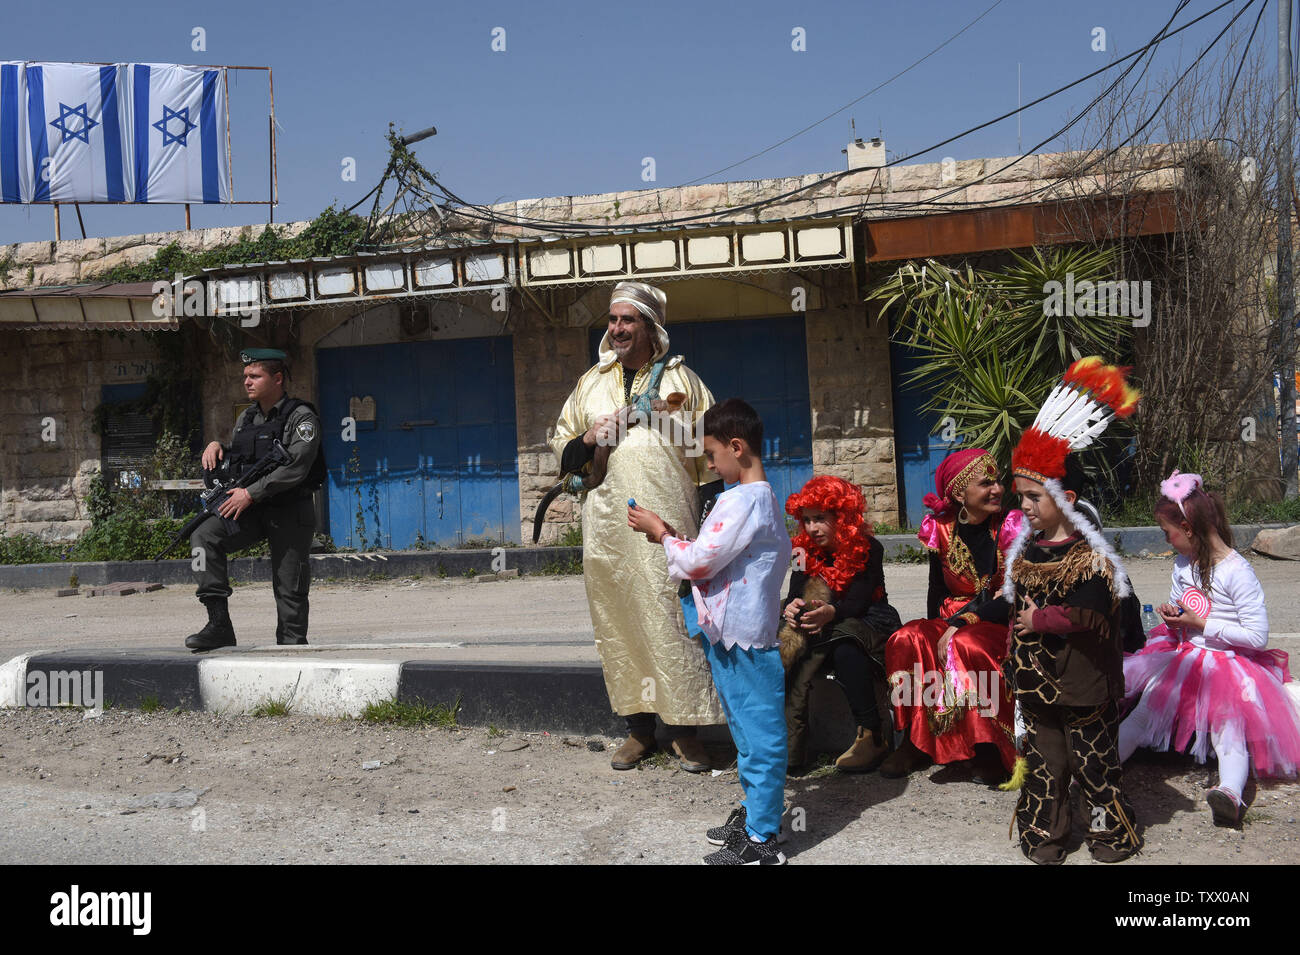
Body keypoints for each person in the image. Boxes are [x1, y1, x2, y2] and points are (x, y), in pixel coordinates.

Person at [550, 282, 724, 772]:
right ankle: (638, 731)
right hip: (606, 531)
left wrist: (710, 527)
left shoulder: (682, 382)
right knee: (619, 620)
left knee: (674, 622)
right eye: (612, 320)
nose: (617, 328)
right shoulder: (590, 383)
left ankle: (686, 732)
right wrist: (589, 434)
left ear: (650, 327)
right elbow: (564, 452)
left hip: (669, 524)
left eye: (628, 320)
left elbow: (709, 458)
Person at [628, 398, 790, 864]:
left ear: (736, 447)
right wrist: (675, 536)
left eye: (713, 454)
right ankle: (756, 815)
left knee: (760, 735)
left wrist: (661, 533)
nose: (710, 464)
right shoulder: (756, 498)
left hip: (744, 638)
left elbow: (699, 559)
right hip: (734, 634)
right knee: (747, 730)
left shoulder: (742, 498)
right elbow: (712, 553)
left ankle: (764, 841)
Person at [1003, 356, 1142, 864]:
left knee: (1093, 765)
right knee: (1045, 764)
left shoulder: (1093, 558)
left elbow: (1091, 617)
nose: (1025, 508)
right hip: (1037, 686)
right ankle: (1046, 835)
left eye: (1034, 498)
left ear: (1067, 496)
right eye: (1021, 498)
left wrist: (1040, 620)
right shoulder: (1026, 552)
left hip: (1084, 686)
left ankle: (1109, 834)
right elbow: (1008, 605)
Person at [1119, 471, 1300, 827]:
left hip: (1229, 666)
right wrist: (1172, 614)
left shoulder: (1236, 571)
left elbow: (1257, 636)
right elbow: (1182, 603)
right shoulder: (1184, 563)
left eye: (1167, 533)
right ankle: (1097, 770)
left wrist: (1201, 625)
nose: (1166, 540)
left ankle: (1230, 791)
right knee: (1142, 715)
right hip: (1184, 658)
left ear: (1188, 529)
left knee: (1227, 730)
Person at [880, 449, 1021, 783]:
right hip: (950, 621)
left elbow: (1013, 596)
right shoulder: (939, 529)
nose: (997, 489)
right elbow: (936, 591)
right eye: (986, 483)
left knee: (967, 643)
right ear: (960, 494)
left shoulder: (1012, 524)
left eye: (998, 481)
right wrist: (933, 637)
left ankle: (987, 747)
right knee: (907, 637)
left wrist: (960, 625)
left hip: (999, 622)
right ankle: (916, 741)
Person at [185, 348, 324, 651]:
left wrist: (251, 493)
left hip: (289, 511)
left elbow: (296, 467)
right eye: (245, 376)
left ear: (276, 378)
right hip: (251, 508)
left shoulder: (301, 417)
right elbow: (242, 456)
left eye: (254, 376)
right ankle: (219, 625)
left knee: (289, 586)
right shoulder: (247, 418)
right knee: (203, 536)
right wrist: (217, 446)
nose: (246, 381)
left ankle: (291, 648)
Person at [782, 476, 901, 774]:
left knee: (845, 649)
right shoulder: (800, 552)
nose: (812, 528)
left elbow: (858, 602)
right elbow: (795, 593)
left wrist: (830, 612)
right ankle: (790, 745)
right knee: (785, 645)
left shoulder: (869, 548)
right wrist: (791, 607)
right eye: (806, 520)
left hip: (865, 621)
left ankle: (871, 735)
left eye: (820, 519)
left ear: (843, 517)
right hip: (821, 623)